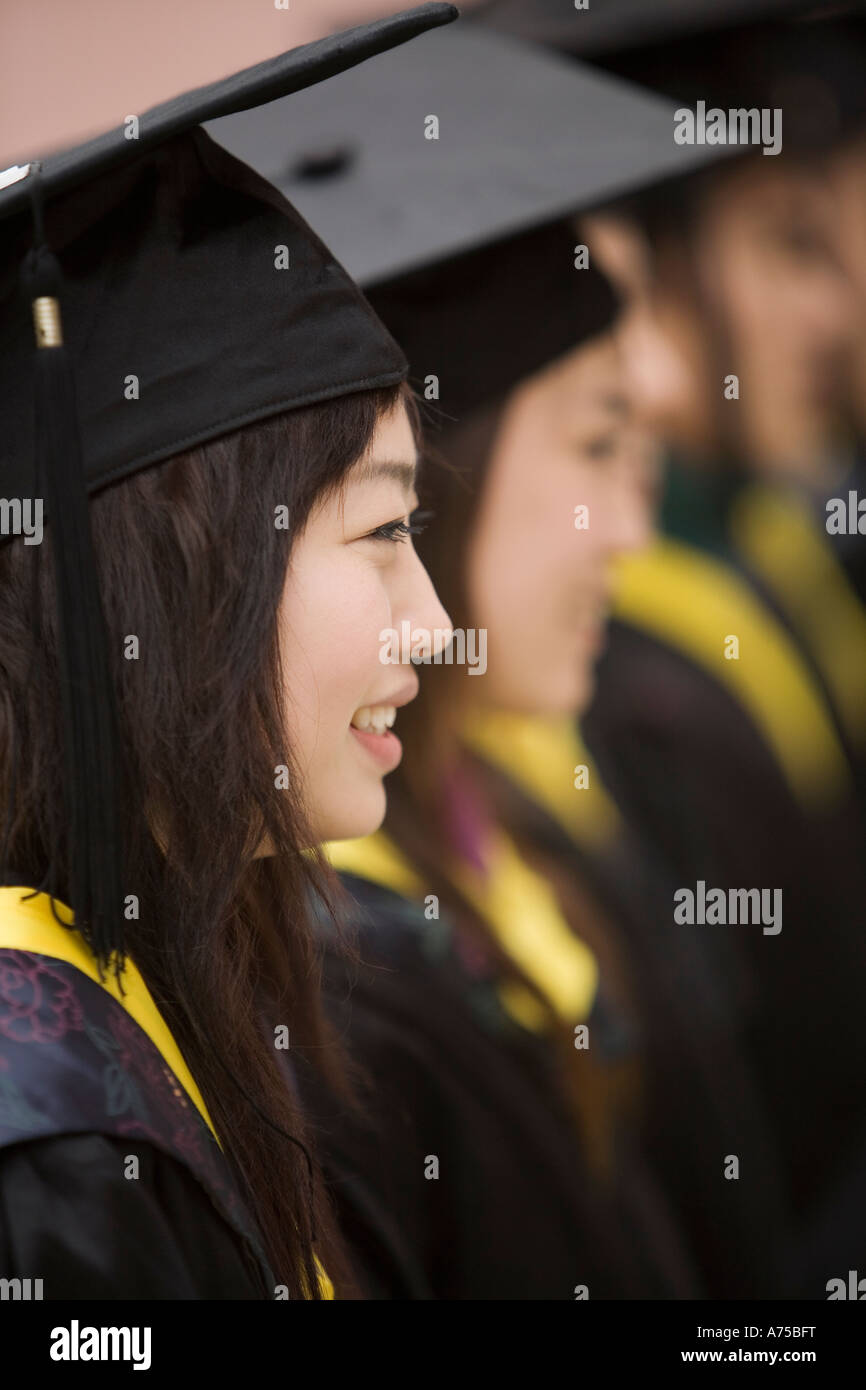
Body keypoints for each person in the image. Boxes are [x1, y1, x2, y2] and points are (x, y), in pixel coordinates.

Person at [215, 21, 789, 1298]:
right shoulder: (337, 979)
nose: (631, 536)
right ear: (444, 475)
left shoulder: (521, 824)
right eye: (595, 448)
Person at [0, 2, 457, 1301]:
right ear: (185, 565)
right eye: (378, 531)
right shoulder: (47, 1141)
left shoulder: (168, 988)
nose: (432, 623)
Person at [482, 0, 866, 1291]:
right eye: (785, 248)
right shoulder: (617, 671)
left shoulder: (769, 552)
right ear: (645, 275)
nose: (833, 310)